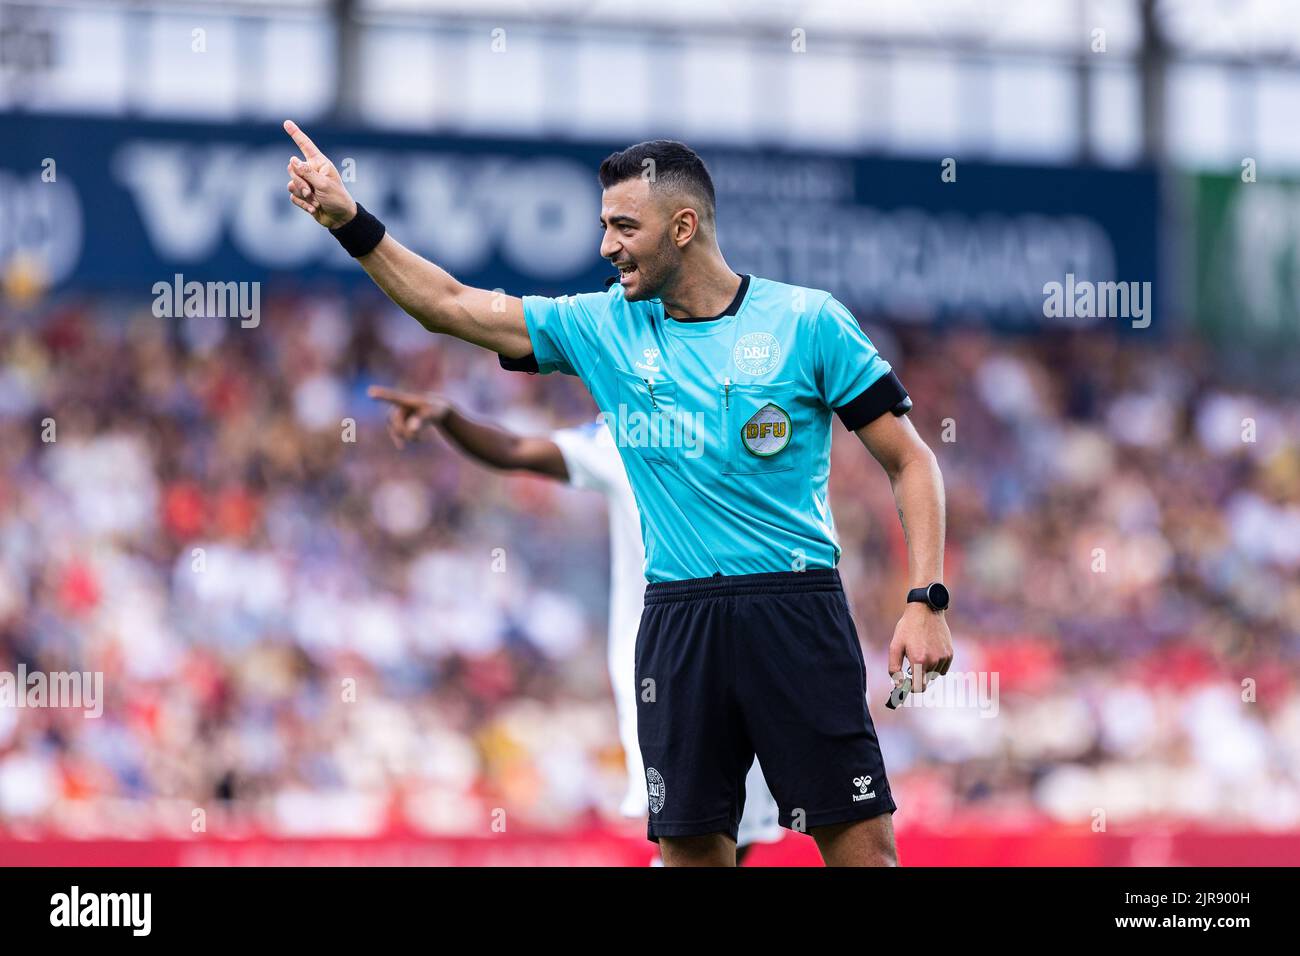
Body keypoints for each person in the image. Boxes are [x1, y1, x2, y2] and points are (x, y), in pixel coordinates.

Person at [283, 121, 953, 867]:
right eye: (604, 226)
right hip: (675, 621)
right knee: (690, 857)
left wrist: (926, 599)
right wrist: (353, 225)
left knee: (864, 855)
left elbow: (911, 461)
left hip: (794, 611)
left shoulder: (808, 322)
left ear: (684, 226)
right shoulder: (601, 325)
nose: (607, 246)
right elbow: (449, 304)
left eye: (624, 226)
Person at [367, 386, 783, 862]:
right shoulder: (626, 435)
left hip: (747, 656)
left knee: (741, 830)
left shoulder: (741, 419)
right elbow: (515, 449)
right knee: (691, 832)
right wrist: (450, 419)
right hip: (664, 669)